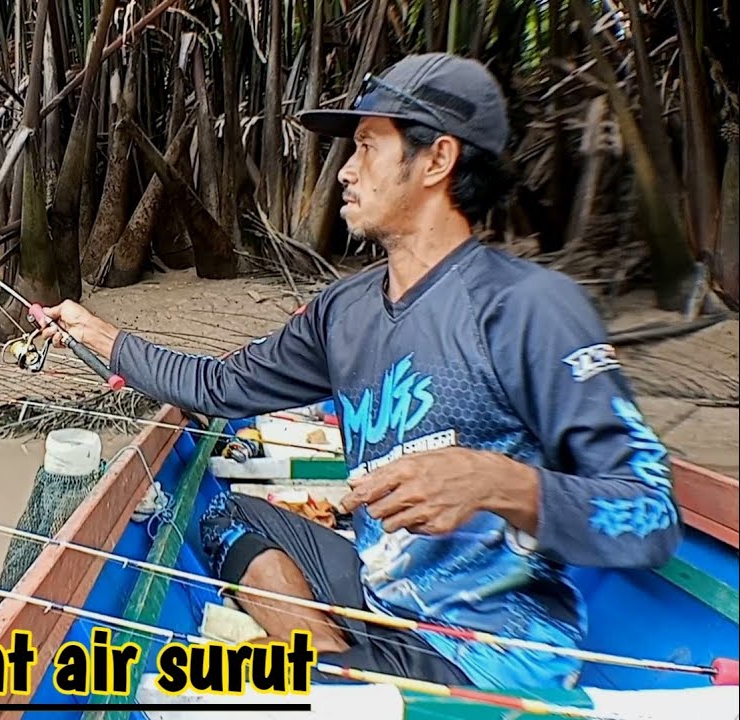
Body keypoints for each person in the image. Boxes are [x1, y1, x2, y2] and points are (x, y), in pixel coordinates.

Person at [36, 52, 682, 691]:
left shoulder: (528, 309)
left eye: (368, 147)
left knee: (216, 689)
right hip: (376, 599)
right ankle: (328, 659)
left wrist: (499, 482)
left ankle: (336, 680)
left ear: (438, 159)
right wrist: (100, 335)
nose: (345, 171)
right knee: (227, 514)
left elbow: (651, 512)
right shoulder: (345, 309)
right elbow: (221, 387)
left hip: (486, 655)